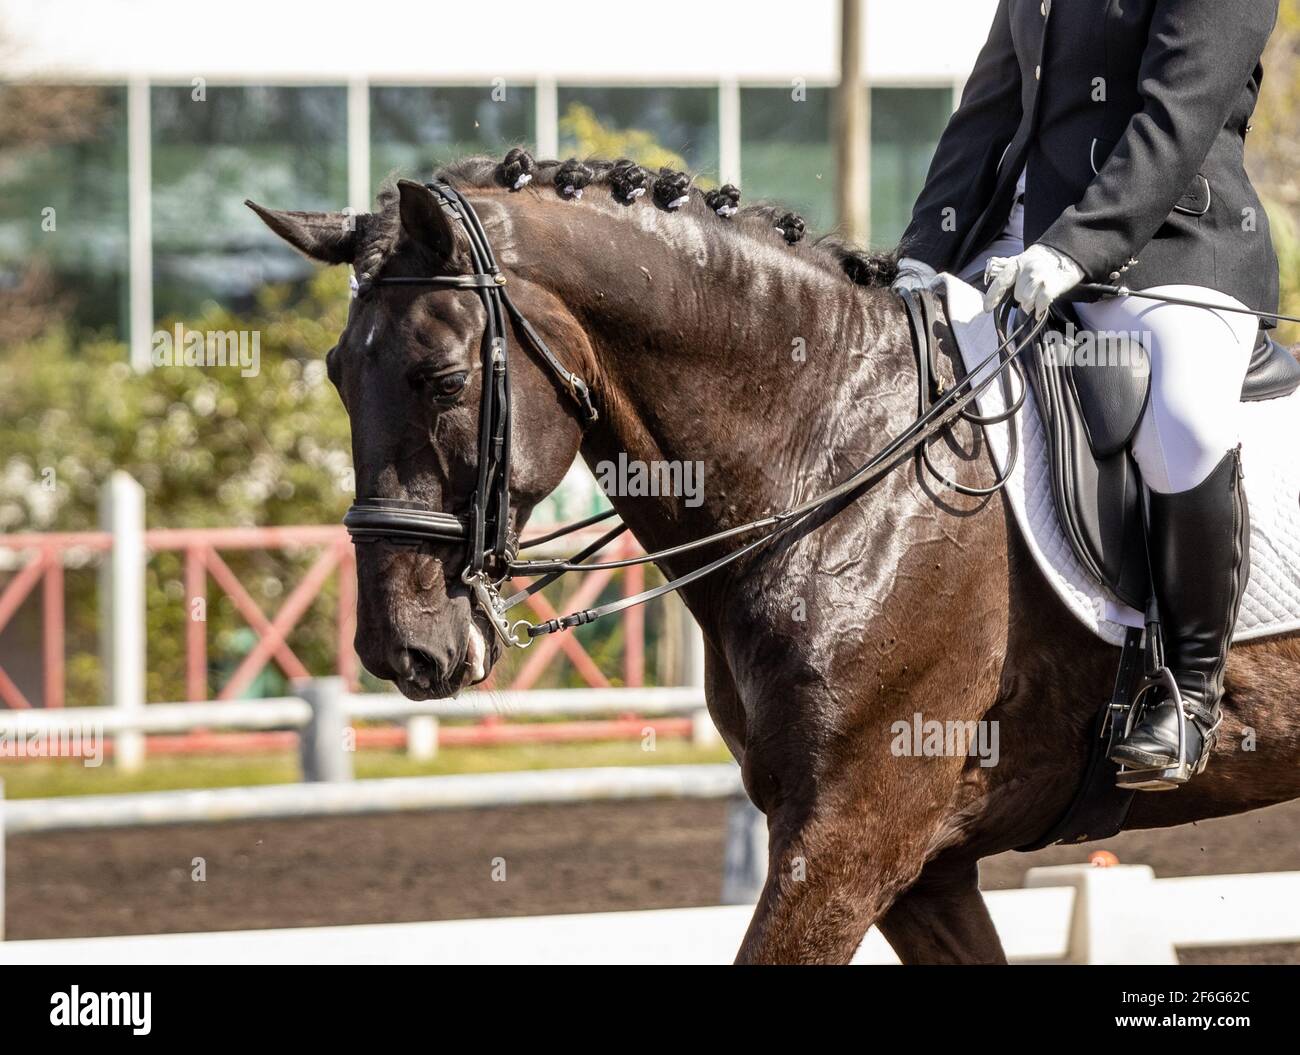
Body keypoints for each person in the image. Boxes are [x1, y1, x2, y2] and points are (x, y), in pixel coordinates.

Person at [893, 0, 1281, 786]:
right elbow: (988, 111)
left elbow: (1181, 112)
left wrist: (1077, 248)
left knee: (1185, 419)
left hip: (1171, 250)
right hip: (1007, 250)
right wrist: (920, 254)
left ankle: (1186, 688)